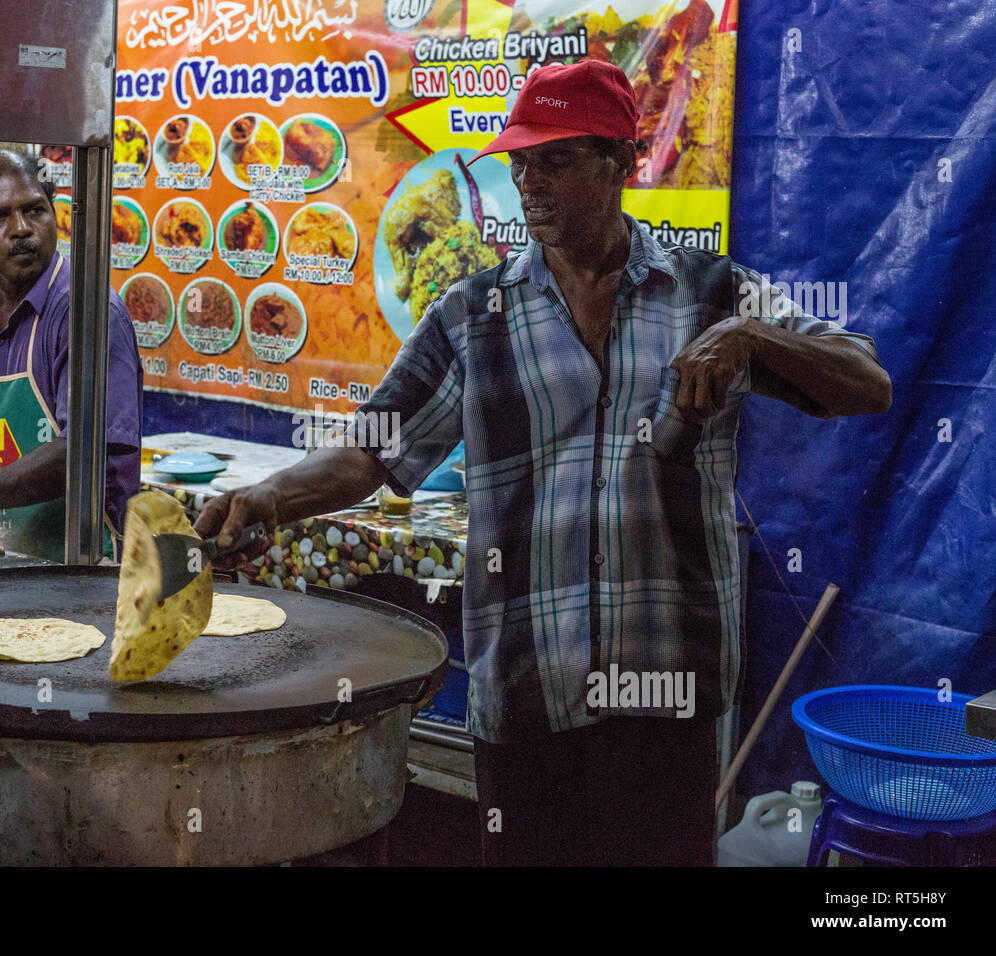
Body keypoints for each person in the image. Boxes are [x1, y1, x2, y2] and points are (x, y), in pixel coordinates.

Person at [196, 60, 892, 865]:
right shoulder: (470, 315)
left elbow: (867, 382)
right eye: (519, 162)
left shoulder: (713, 295)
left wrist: (752, 337)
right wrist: (267, 500)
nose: (529, 183)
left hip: (664, 691)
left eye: (555, 160)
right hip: (527, 689)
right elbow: (369, 452)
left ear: (623, 162)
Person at [0, 149, 142, 562]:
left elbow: (79, 455)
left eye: (34, 210)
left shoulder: (87, 313)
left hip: (81, 573)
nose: (21, 229)